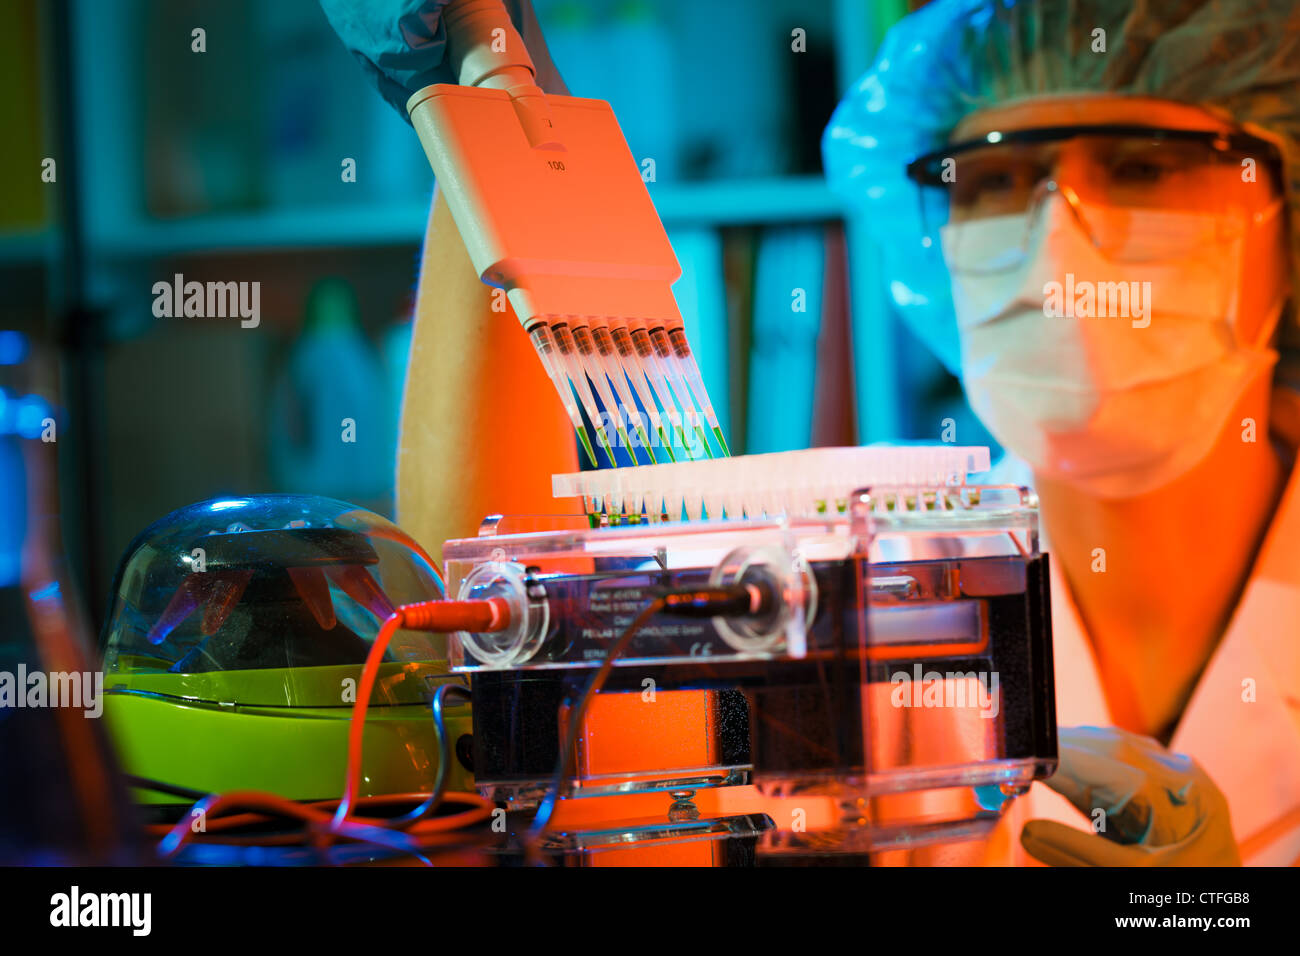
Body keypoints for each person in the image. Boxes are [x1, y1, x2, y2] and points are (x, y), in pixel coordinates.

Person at [825, 0, 1300, 864]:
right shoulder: (840, 619)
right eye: (996, 182)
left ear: (1290, 219)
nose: (1057, 257)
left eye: (1142, 168)